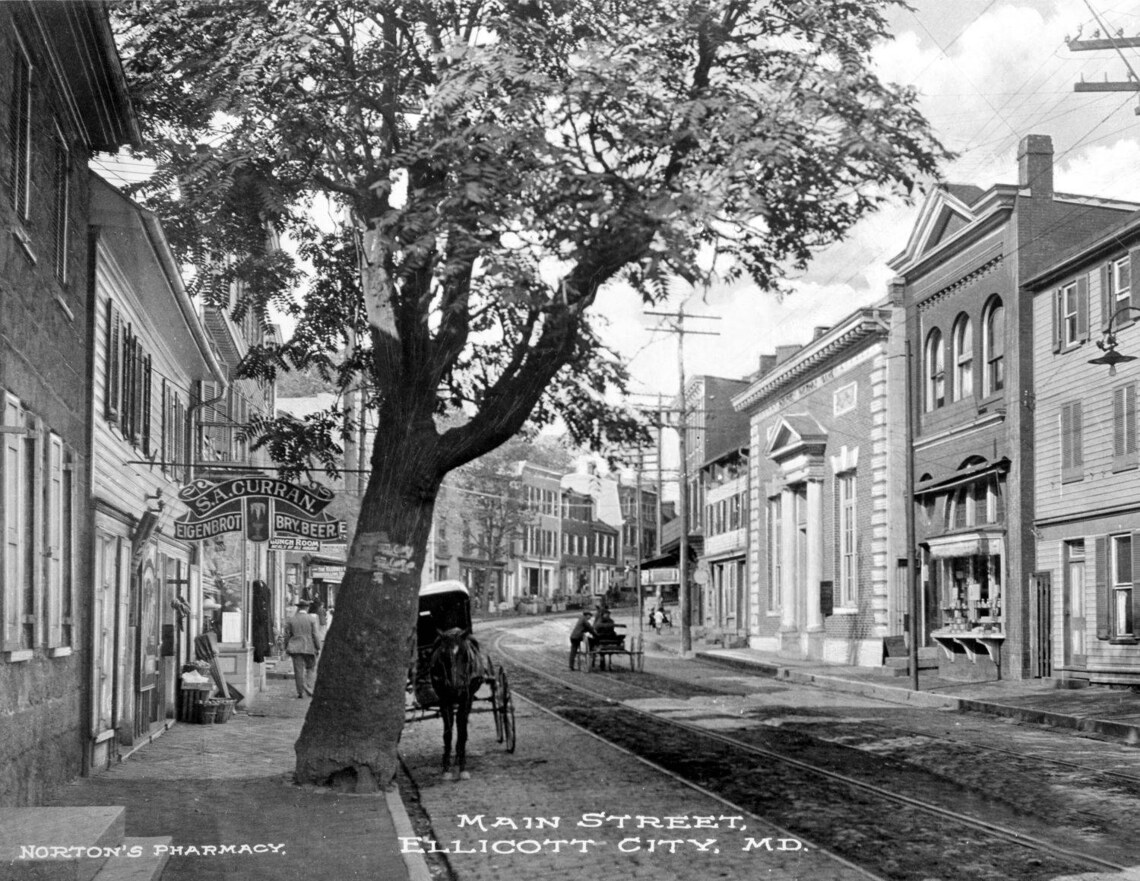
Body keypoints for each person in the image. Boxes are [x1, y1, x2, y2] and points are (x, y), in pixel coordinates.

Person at [284, 600, 321, 698]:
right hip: (309, 647)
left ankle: (300, 691)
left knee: (298, 669)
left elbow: (287, 635)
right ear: (307, 608)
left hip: (295, 647)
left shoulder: (292, 619)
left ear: (299, 608)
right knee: (311, 668)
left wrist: (286, 646)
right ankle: (308, 687)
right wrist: (318, 646)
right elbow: (315, 635)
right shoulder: (311, 619)